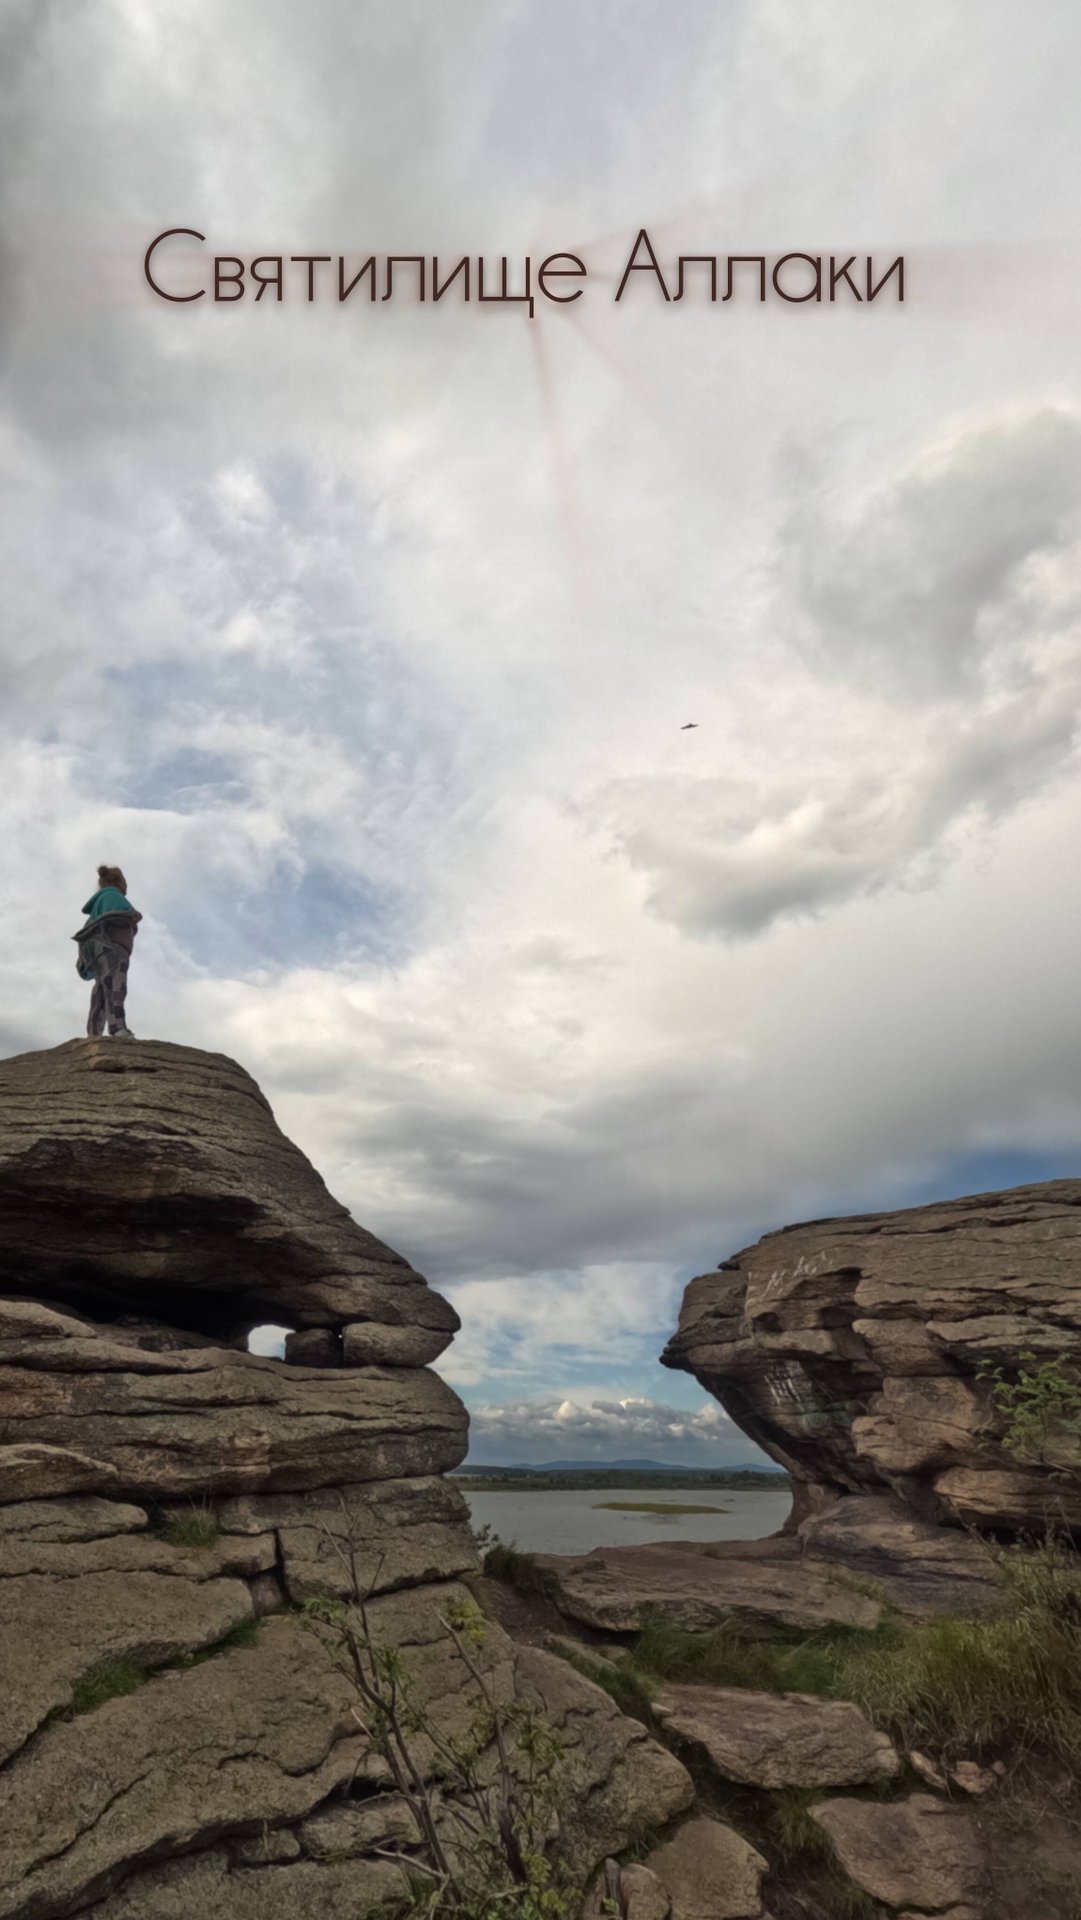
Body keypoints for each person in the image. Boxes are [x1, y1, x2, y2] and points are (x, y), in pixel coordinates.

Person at [74, 864, 143, 1039]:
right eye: (125, 882)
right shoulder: (113, 895)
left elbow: (91, 926)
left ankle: (94, 1034)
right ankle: (118, 1028)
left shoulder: (100, 900)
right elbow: (123, 915)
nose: (127, 886)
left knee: (101, 992)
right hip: (114, 948)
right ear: (118, 882)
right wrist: (134, 918)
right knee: (116, 987)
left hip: (101, 952)